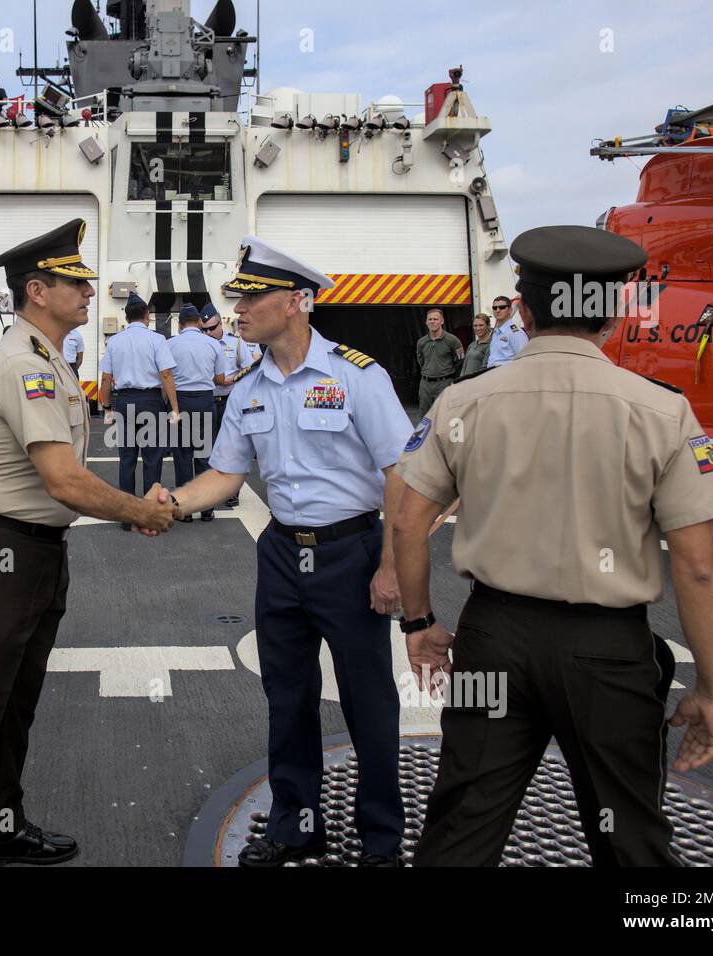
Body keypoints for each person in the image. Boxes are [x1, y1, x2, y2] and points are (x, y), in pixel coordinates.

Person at [394, 225, 713, 867]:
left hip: (491, 637)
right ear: (610, 314)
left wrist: (418, 624)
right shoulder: (662, 411)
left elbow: (410, 522)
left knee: (462, 824)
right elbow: (696, 567)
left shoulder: (464, 402)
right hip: (607, 653)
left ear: (524, 309)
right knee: (629, 836)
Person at [0, 219, 174, 867]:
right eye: (75, 282)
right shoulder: (25, 365)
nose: (87, 290)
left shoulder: (48, 359)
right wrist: (143, 511)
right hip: (1, 546)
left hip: (32, 547)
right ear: (38, 291)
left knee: (11, 704)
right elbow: (64, 478)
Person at [161, 236, 413, 867]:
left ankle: (381, 839)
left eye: (251, 297)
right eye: (236, 297)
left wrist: (391, 566)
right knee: (287, 697)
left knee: (369, 702)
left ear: (297, 302)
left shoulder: (358, 375)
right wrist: (167, 506)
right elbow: (224, 475)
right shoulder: (247, 388)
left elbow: (402, 474)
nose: (238, 309)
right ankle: (297, 826)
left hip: (352, 553)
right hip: (280, 554)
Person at [98, 291, 179, 529]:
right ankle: (151, 514)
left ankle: (127, 516)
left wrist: (107, 406)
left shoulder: (114, 341)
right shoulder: (157, 340)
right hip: (151, 401)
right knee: (152, 458)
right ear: (147, 315)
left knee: (127, 458)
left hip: (124, 401)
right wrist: (174, 408)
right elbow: (165, 375)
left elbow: (105, 378)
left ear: (126, 316)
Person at [167, 303, 222, 522]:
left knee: (182, 455)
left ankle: (185, 509)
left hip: (180, 401)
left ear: (179, 324)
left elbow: (165, 375)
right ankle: (207, 509)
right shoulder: (213, 344)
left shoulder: (170, 344)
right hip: (205, 399)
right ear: (199, 322)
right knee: (204, 455)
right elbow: (219, 378)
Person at [203, 302, 256, 508]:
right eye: (204, 329)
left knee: (231, 448)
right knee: (207, 448)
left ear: (220, 325)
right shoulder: (201, 343)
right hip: (207, 400)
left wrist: (231, 380)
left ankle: (232, 492)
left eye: (212, 328)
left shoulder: (236, 343)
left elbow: (250, 367)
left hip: (228, 401)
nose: (208, 333)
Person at [414, 308, 463, 417]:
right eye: (430, 319)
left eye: (435, 319)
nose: (432, 321)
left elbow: (460, 361)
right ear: (426, 322)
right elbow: (420, 361)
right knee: (425, 417)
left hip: (444, 382)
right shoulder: (421, 342)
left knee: (443, 415)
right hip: (425, 384)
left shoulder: (453, 341)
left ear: (442, 321)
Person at [486, 294, 529, 368]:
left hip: (506, 375)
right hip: (492, 374)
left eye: (502, 307)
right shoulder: (495, 332)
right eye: (494, 308)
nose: (498, 310)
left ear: (510, 310)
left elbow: (523, 358)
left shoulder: (515, 332)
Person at [458, 312, 492, 379]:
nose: (478, 328)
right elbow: (464, 366)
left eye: (481, 325)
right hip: (465, 383)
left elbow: (484, 368)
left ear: (488, 326)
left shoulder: (490, 345)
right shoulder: (472, 345)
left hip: (477, 382)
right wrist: (461, 380)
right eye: (475, 326)